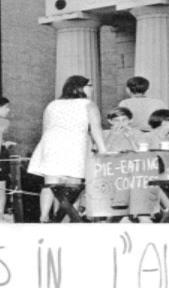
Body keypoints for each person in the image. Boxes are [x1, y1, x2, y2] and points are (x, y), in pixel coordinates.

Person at [28, 75, 110, 223]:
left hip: (51, 144)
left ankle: (44, 216)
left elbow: (45, 129)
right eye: (89, 85)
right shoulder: (88, 104)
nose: (92, 89)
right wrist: (103, 151)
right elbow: (96, 130)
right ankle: (68, 219)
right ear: (79, 87)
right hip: (74, 144)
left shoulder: (52, 104)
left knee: (51, 183)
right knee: (73, 185)